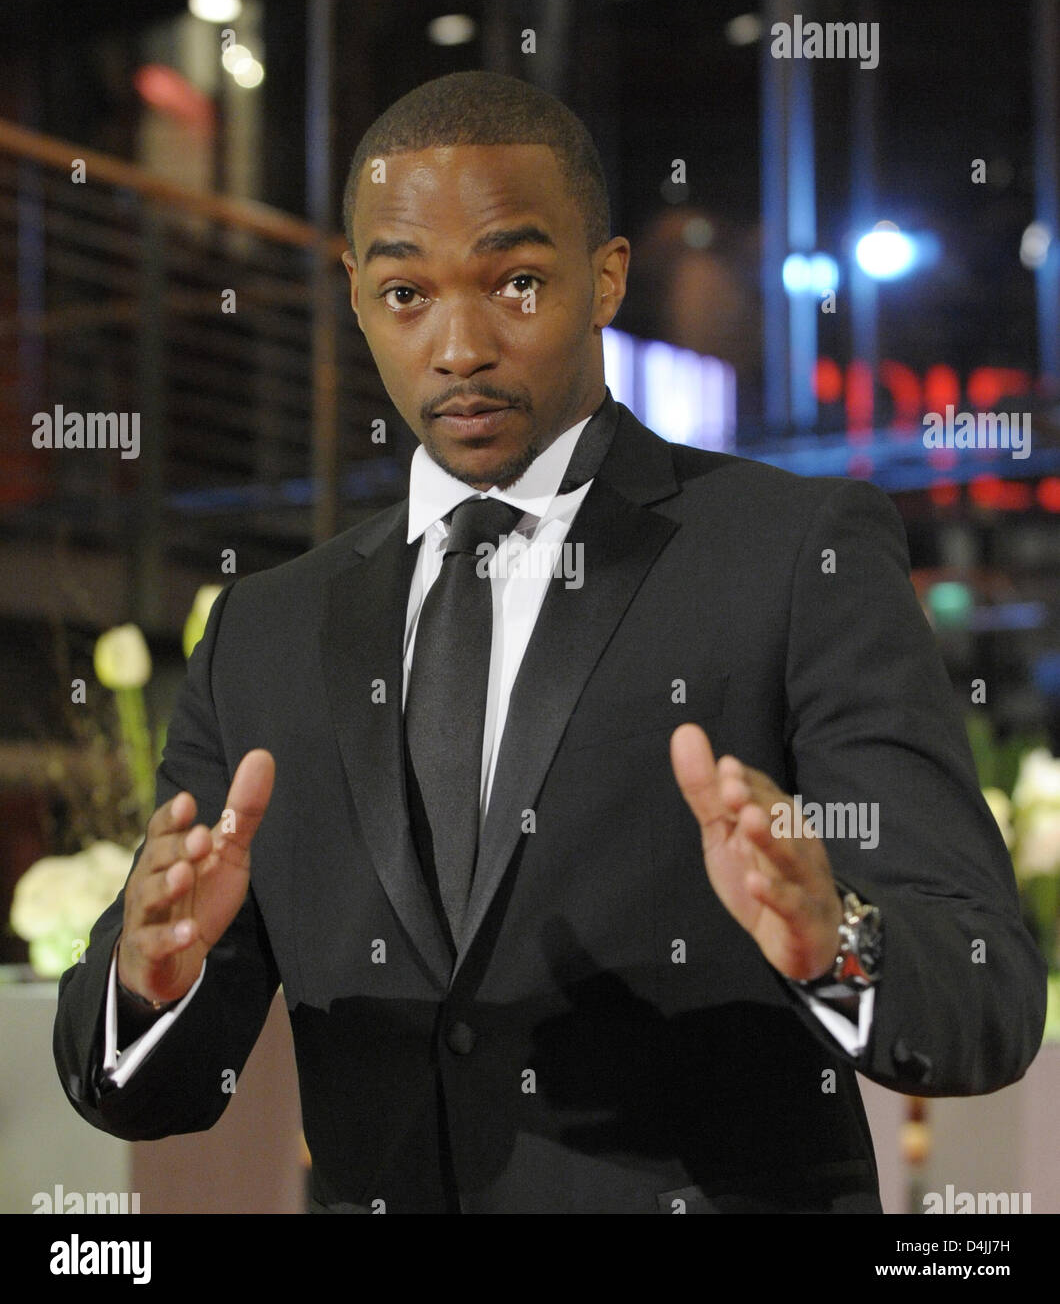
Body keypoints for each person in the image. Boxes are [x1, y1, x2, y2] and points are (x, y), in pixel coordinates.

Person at [54, 70, 1047, 1214]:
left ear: (605, 278)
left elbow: (990, 992)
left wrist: (837, 942)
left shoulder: (792, 554)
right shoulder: (265, 630)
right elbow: (144, 1085)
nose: (460, 345)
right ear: (355, 295)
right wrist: (148, 980)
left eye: (516, 282)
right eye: (405, 292)